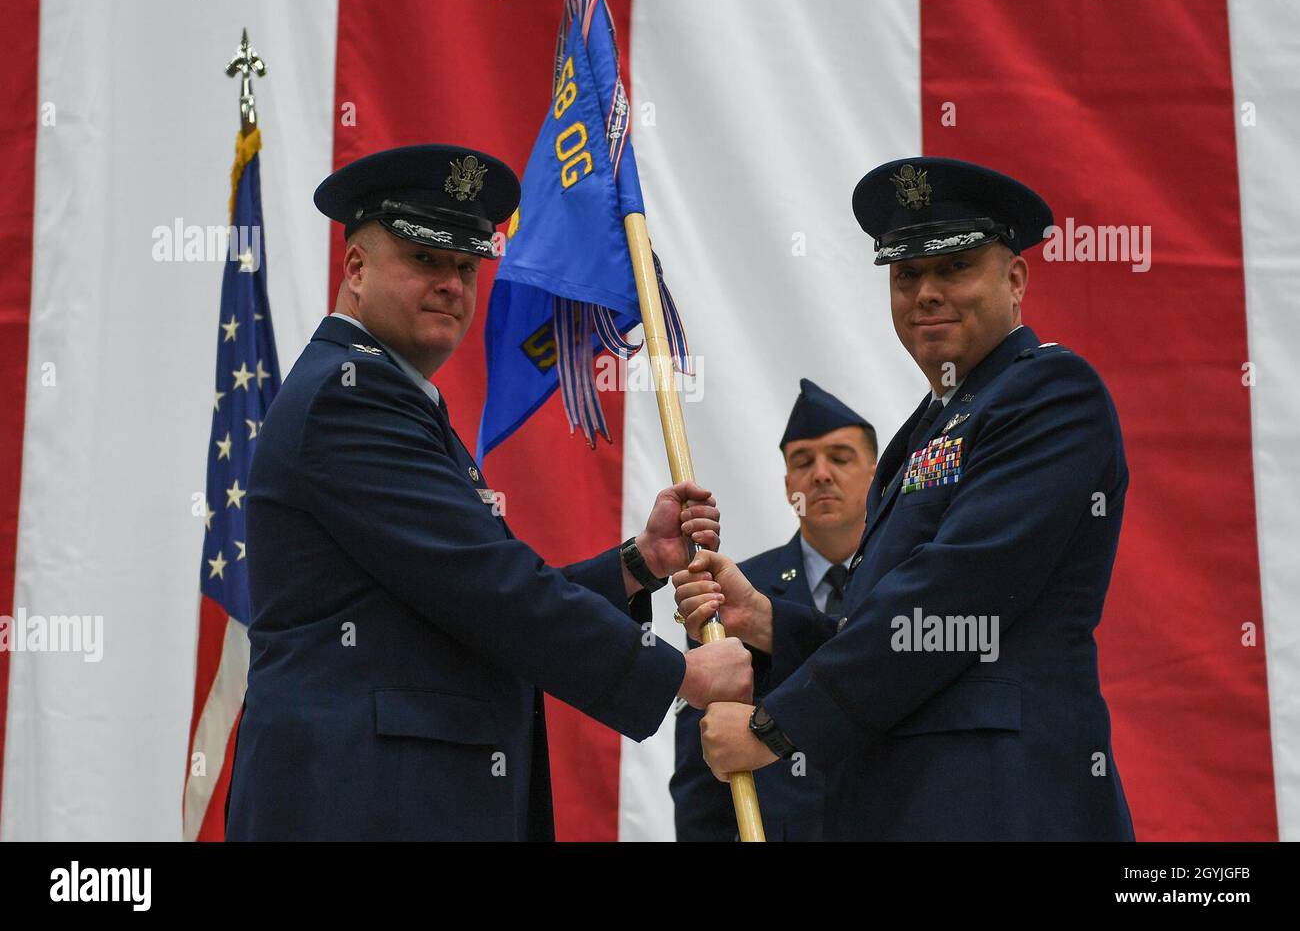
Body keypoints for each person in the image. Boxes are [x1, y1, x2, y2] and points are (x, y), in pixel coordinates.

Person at [225, 144, 752, 841]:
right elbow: (489, 587)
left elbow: (463, 606)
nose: (451, 283)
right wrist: (678, 673)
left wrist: (638, 562)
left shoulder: (380, 393)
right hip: (364, 805)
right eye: (424, 258)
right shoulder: (350, 399)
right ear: (355, 268)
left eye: (466, 266)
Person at [674, 157, 1134, 841]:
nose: (925, 293)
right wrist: (772, 622)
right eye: (906, 274)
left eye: (953, 269)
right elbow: (884, 616)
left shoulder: (1051, 393)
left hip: (1004, 804)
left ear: (1015, 280)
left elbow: (951, 596)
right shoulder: (925, 430)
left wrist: (777, 726)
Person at [671, 379, 876, 841]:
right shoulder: (730, 593)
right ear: (788, 485)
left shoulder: (907, 582)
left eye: (840, 458)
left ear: (876, 474)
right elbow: (701, 768)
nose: (821, 474)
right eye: (803, 461)